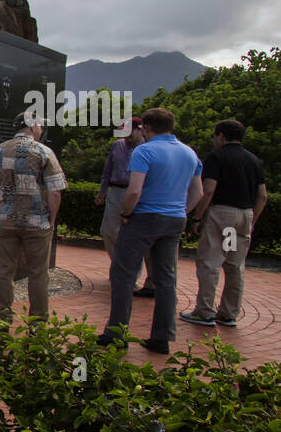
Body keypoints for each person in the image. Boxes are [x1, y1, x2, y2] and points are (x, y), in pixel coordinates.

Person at [98, 107, 202, 353]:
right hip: (175, 220)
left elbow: (134, 190)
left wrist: (126, 213)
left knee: (123, 274)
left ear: (146, 127)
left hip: (144, 217)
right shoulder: (189, 153)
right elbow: (198, 192)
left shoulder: (144, 151)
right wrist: (181, 211)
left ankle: (116, 334)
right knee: (166, 279)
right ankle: (161, 337)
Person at [0, 111, 67, 322]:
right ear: (32, 126)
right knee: (38, 274)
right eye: (40, 126)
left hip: (5, 223)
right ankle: (37, 325)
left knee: (4, 271)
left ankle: (2, 322)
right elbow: (54, 192)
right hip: (37, 224)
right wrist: (51, 220)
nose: (41, 129)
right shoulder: (43, 151)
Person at [181, 119, 267, 328]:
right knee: (234, 264)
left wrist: (198, 217)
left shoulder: (217, 157)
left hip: (222, 215)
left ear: (221, 135)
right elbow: (262, 196)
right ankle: (229, 313)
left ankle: (204, 311)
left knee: (210, 262)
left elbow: (208, 189)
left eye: (214, 136)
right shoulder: (254, 160)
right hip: (244, 216)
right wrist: (253, 220)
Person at [96, 116, 156, 296]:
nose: (127, 136)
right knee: (108, 231)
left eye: (130, 132)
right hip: (116, 191)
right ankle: (119, 265)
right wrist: (102, 191)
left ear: (140, 130)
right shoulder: (117, 146)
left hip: (138, 193)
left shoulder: (148, 149)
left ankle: (131, 275)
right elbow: (107, 170)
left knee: (135, 237)